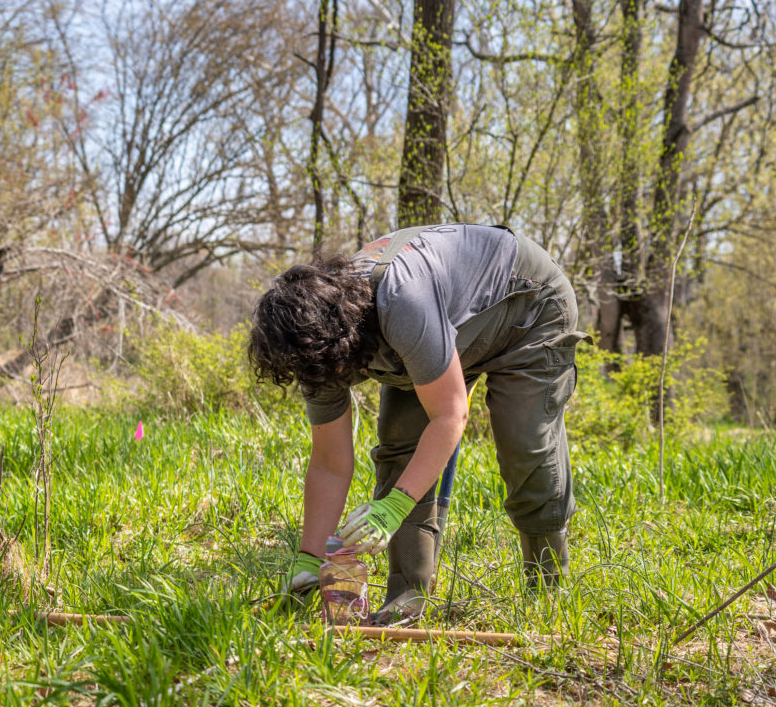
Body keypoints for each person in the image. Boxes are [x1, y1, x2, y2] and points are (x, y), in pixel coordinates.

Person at [246, 224, 581, 623]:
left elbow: (450, 415)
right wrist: (309, 559)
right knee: (401, 445)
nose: (327, 379)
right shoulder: (311, 349)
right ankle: (407, 595)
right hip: (447, 325)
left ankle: (547, 590)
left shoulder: (402, 303)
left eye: (333, 369)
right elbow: (330, 463)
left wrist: (393, 508)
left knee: (525, 445)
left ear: (344, 340)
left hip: (528, 306)